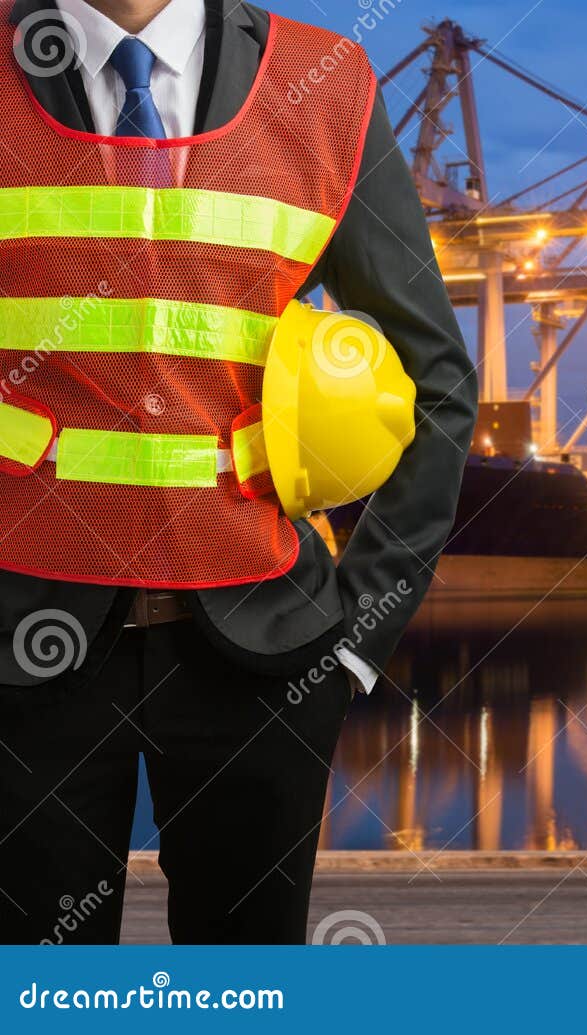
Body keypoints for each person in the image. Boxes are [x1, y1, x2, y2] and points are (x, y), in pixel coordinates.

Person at [0, 0, 477, 943]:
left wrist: (357, 638)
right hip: (19, 646)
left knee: (246, 995)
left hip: (265, 655)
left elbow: (439, 383)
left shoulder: (328, 87)